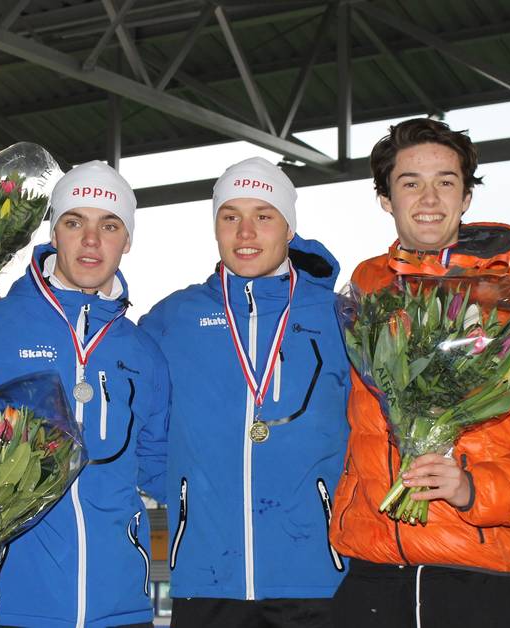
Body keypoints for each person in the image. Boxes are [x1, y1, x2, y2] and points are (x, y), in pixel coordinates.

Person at [328, 118, 510, 628]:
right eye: (410, 183)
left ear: (466, 196)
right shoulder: (365, 298)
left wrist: (473, 487)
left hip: (478, 587)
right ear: (386, 199)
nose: (429, 198)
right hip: (371, 579)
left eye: (446, 181)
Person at [0, 161, 171, 628]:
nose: (91, 240)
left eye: (109, 225)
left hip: (121, 612)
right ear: (54, 233)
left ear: (127, 240)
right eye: (75, 222)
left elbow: (161, 466)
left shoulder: (143, 351)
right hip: (9, 609)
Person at [139, 157, 351, 628]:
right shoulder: (173, 320)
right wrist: (184, 491)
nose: (246, 233)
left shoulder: (338, 317)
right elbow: (126, 406)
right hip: (207, 577)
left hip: (320, 578)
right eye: (230, 216)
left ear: (289, 230)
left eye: (264, 216)